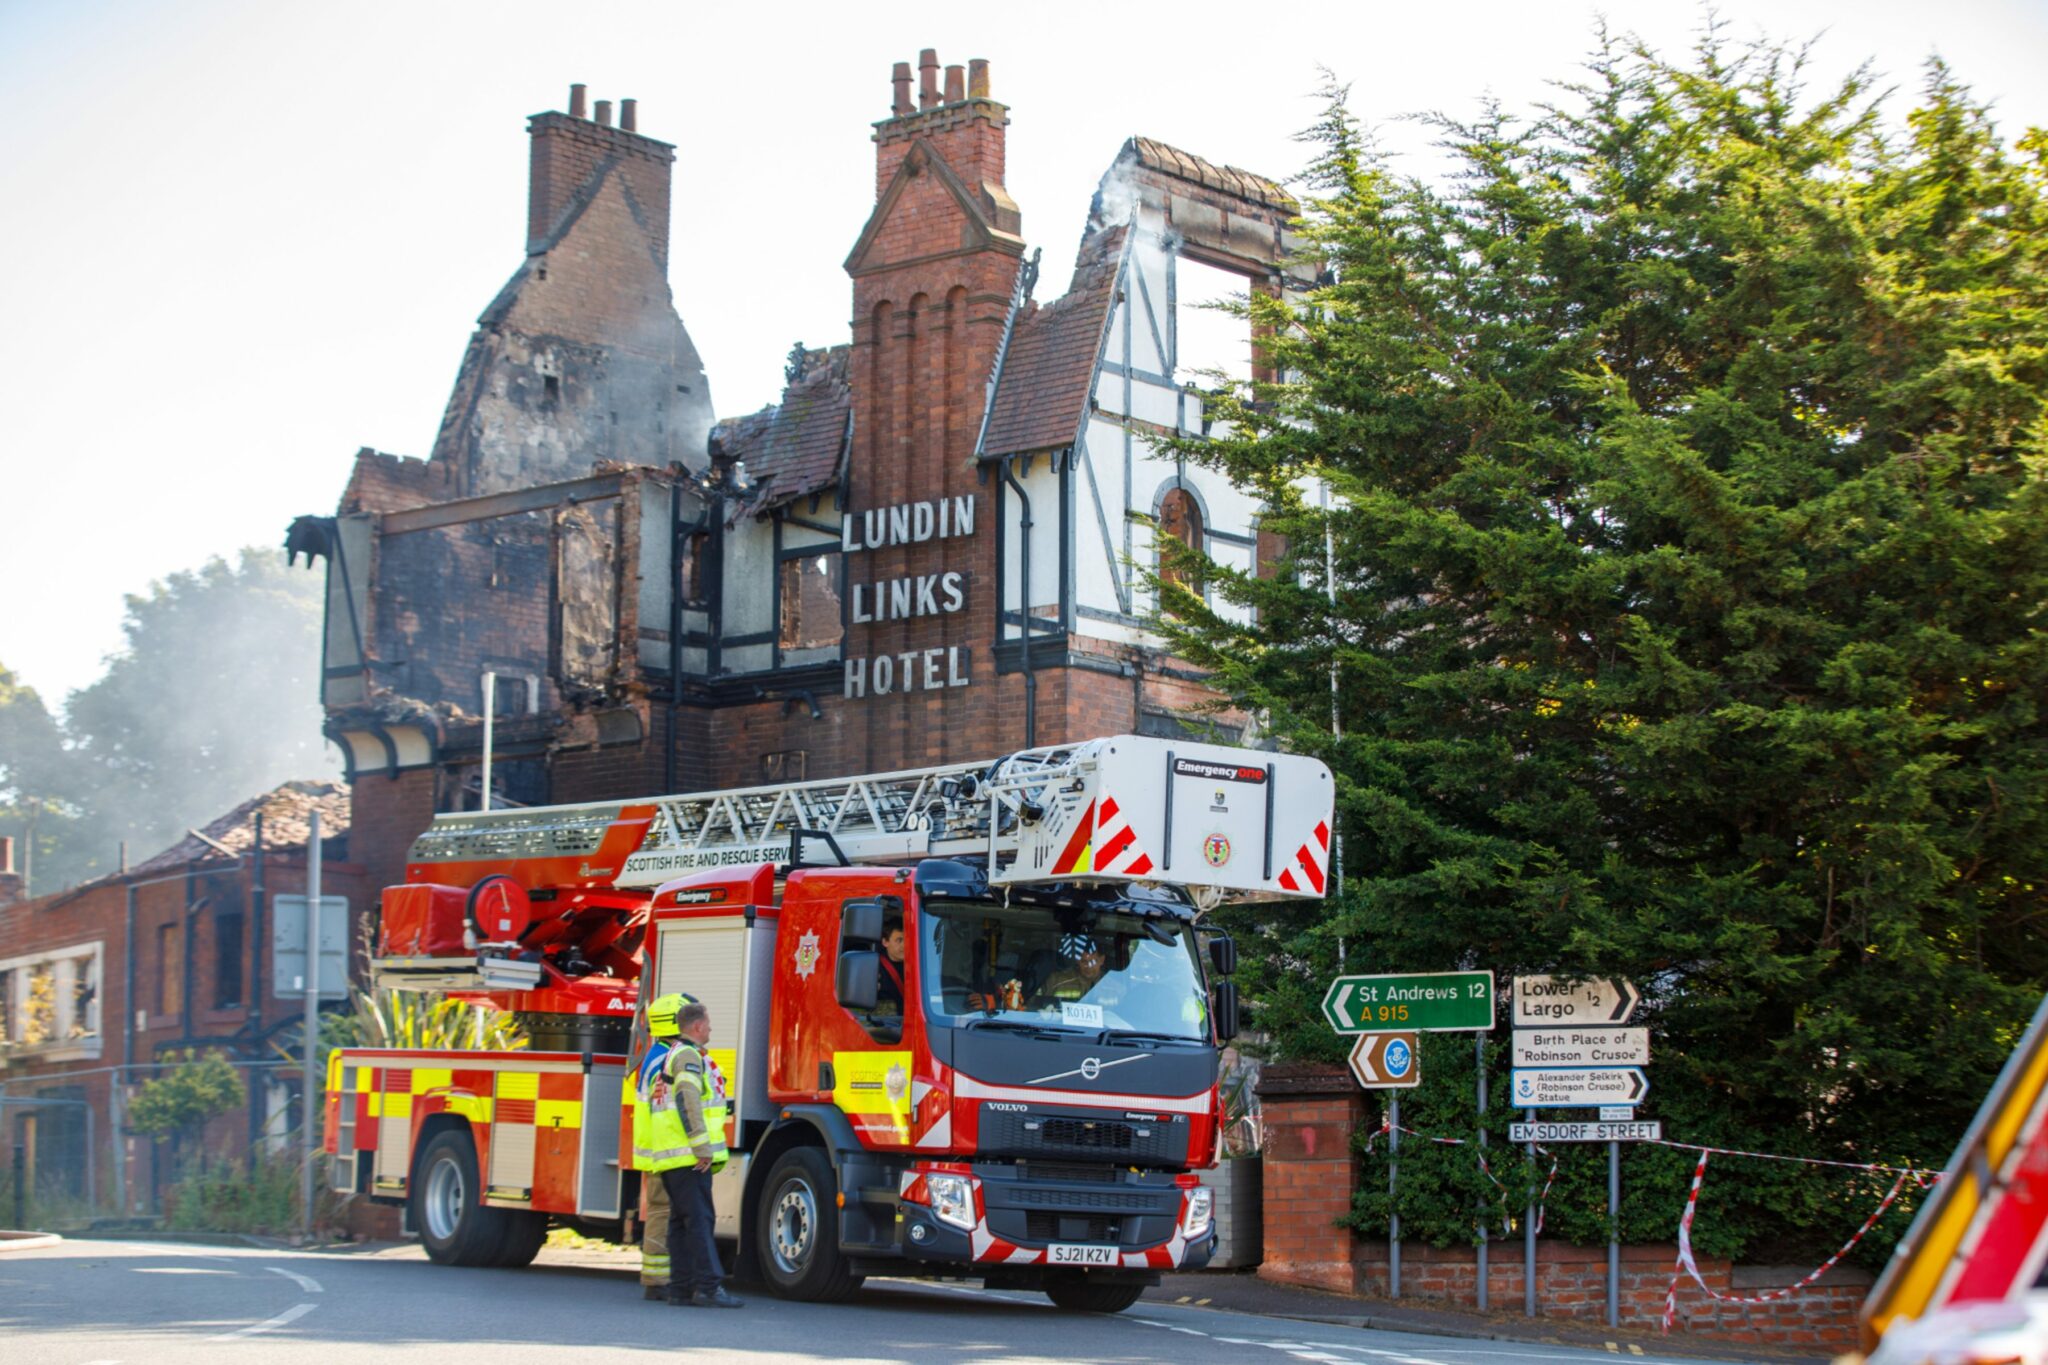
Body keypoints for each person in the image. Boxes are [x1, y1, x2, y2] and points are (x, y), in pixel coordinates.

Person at [634, 993, 742, 1308]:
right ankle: (708, 1287)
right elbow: (688, 1100)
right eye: (707, 1023)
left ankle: (680, 1288)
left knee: (680, 1221)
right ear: (695, 1025)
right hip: (687, 1154)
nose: (710, 1029)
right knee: (698, 1219)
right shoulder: (685, 1056)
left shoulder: (667, 1055)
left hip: (670, 1153)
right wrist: (701, 1145)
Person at [630, 990, 692, 1301]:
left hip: (655, 1148)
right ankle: (657, 1281)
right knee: (665, 1212)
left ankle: (657, 1277)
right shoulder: (668, 1060)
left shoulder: (653, 1056)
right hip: (667, 1149)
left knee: (659, 1210)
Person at [875, 919, 907, 1014]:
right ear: (885, 942)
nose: (905, 945)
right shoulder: (874, 968)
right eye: (899, 940)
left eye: (908, 939)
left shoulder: (921, 964)